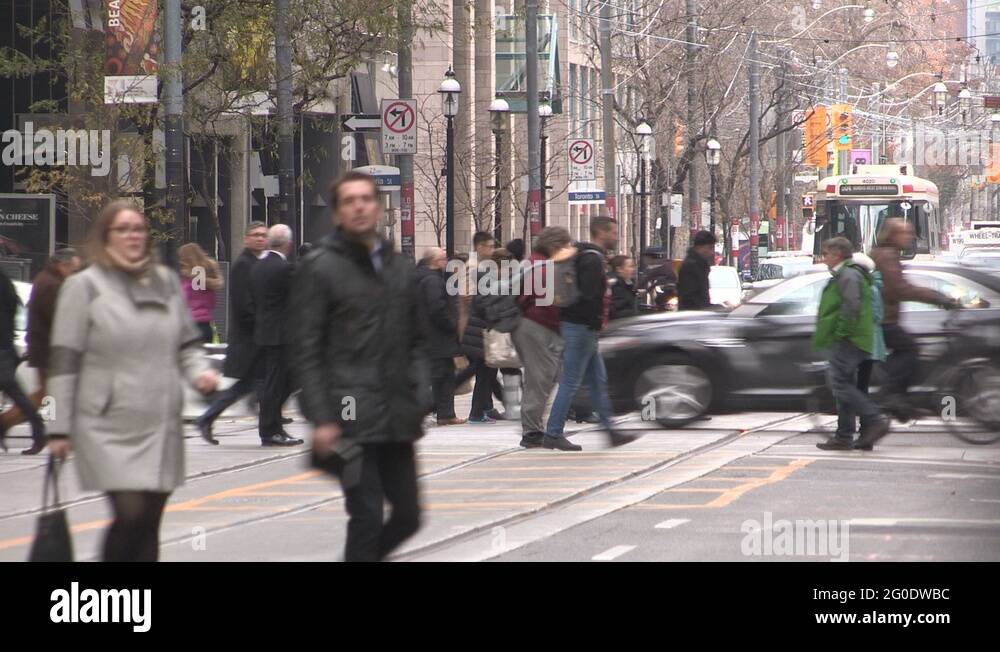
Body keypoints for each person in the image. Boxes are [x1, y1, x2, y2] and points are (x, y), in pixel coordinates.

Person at [46, 199, 218, 562]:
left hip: (159, 422)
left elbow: (187, 343)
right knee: (130, 514)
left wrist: (199, 372)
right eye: (123, 229)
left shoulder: (166, 282)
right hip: (107, 423)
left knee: (150, 519)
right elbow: (63, 361)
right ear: (106, 237)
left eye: (138, 228)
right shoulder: (84, 287)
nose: (133, 236)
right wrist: (57, 428)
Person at [291, 171, 430, 562]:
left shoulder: (399, 268)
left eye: (366, 198)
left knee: (408, 516)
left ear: (378, 206)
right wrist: (322, 417)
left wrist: (420, 392)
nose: (359, 206)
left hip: (396, 412)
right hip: (348, 415)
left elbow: (417, 339)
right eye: (349, 200)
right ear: (337, 213)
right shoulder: (320, 268)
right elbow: (306, 350)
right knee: (366, 515)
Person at [543, 216, 639, 451]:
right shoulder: (592, 260)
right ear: (601, 233)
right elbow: (589, 296)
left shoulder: (586, 256)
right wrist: (595, 321)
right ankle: (553, 433)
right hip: (581, 328)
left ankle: (610, 431)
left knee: (597, 381)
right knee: (571, 382)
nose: (616, 237)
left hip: (582, 327)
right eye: (613, 232)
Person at [871, 218, 958, 421]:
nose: (910, 237)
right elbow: (900, 289)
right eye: (905, 233)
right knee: (909, 349)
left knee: (904, 351)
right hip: (882, 319)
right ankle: (892, 396)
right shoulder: (886, 256)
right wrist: (937, 298)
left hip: (886, 317)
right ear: (893, 235)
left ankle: (898, 398)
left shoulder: (887, 254)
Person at [194, 221, 269, 445]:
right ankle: (209, 417)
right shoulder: (243, 265)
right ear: (246, 238)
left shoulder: (256, 263)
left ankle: (208, 417)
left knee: (248, 384)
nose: (260, 239)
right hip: (248, 339)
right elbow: (244, 305)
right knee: (251, 384)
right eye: (255, 235)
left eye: (263, 235)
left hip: (254, 338)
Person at [0, 247, 80, 455]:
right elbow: (58, 319)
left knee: (45, 395)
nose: (75, 274)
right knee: (43, 395)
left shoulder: (48, 281)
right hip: (48, 350)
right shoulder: (51, 285)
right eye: (73, 269)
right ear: (63, 265)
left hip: (44, 348)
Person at [812, 237, 889, 451]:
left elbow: (851, 306)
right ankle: (844, 435)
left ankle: (873, 419)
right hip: (852, 338)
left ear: (837, 254)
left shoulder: (849, 274)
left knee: (840, 384)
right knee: (843, 386)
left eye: (826, 253)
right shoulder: (847, 274)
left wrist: (842, 333)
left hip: (850, 339)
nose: (823, 258)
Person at [511, 226, 571, 448]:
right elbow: (552, 301)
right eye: (566, 245)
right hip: (537, 326)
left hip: (531, 325)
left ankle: (534, 427)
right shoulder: (544, 266)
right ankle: (532, 431)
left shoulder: (532, 262)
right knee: (540, 379)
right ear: (555, 246)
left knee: (544, 377)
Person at [250, 224, 303, 447]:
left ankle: (273, 428)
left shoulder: (259, 267)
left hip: (265, 332)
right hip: (281, 335)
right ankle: (271, 430)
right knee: (277, 383)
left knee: (276, 382)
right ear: (288, 245)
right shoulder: (283, 268)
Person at [415, 247, 464, 426]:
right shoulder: (432, 281)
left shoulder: (421, 277)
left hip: (428, 336)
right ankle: (443, 413)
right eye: (443, 259)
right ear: (435, 262)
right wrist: (451, 323)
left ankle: (445, 413)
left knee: (442, 375)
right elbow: (437, 308)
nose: (446, 262)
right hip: (437, 336)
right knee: (441, 377)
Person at [0, 269, 46, 454]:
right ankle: (38, 433)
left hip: (3, 348)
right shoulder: (6, 284)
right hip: (6, 348)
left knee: (22, 396)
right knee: (19, 395)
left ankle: (38, 433)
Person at [178, 243, 224, 344]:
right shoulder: (206, 278)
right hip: (206, 323)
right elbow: (212, 301)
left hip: (191, 325)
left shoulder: (190, 280)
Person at [677, 230, 716, 311]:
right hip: (692, 317)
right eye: (710, 248)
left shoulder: (699, 265)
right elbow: (690, 298)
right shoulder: (691, 266)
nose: (712, 252)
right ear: (699, 247)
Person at [608, 255, 638, 320]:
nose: (633, 269)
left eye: (633, 266)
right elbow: (615, 309)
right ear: (619, 269)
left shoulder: (628, 283)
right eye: (630, 266)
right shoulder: (614, 286)